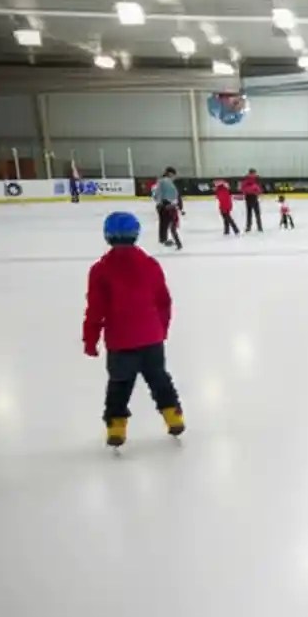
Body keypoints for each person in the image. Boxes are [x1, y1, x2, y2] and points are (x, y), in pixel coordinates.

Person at [83, 211, 185, 447]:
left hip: (121, 341)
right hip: (151, 337)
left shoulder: (100, 270)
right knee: (159, 379)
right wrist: (161, 330)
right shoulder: (150, 264)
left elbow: (95, 309)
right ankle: (173, 415)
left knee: (119, 384)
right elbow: (163, 301)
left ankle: (116, 426)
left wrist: (90, 340)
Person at [153, 167, 182, 250]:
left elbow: (157, 193)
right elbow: (169, 194)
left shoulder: (163, 181)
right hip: (166, 204)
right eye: (174, 174)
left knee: (164, 222)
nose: (174, 176)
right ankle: (164, 240)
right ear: (170, 174)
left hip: (164, 204)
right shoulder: (165, 181)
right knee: (166, 222)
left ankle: (163, 239)